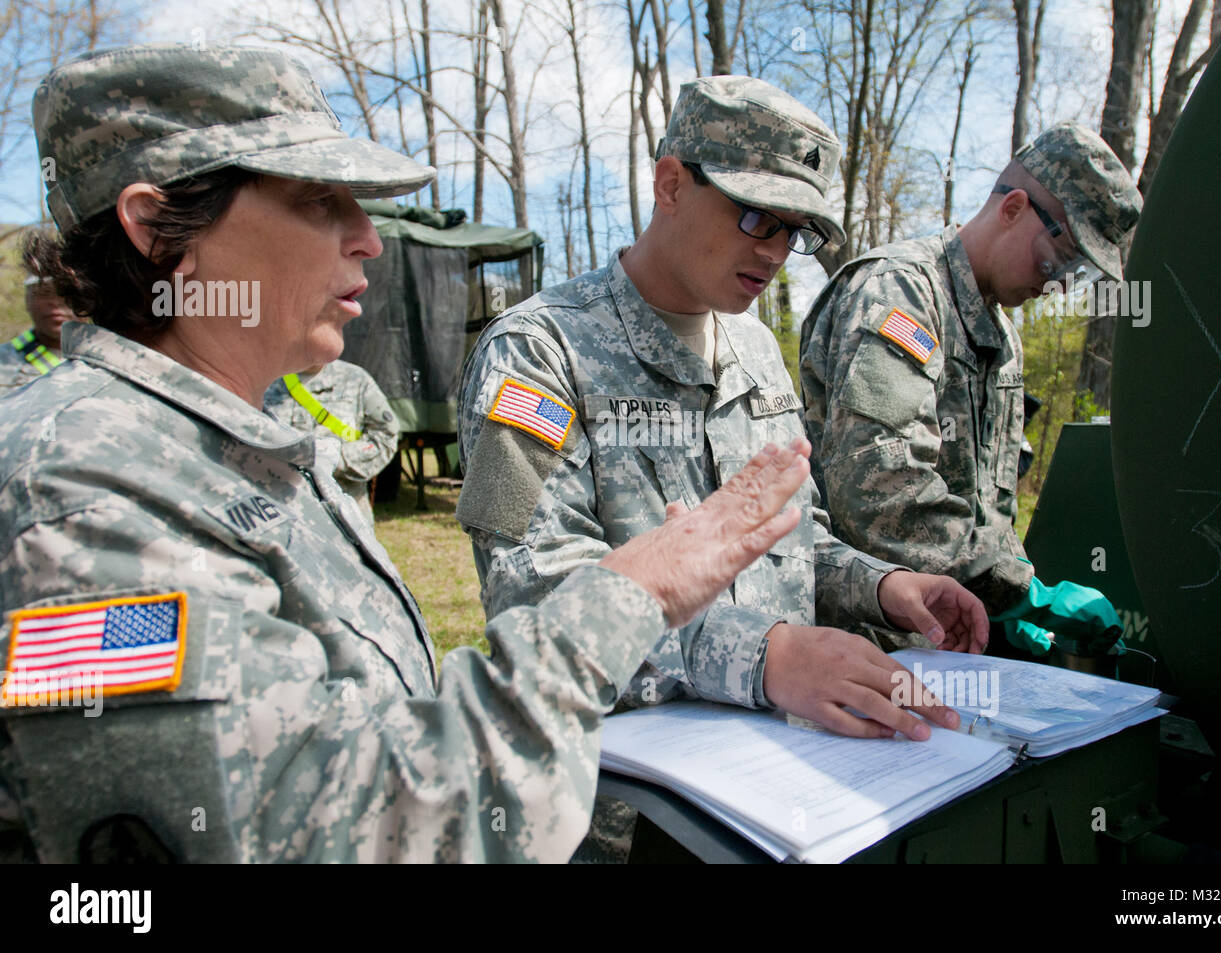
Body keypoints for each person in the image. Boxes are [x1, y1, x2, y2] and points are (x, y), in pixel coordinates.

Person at [0, 44, 837, 864]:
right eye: (321, 200)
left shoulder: (248, 452)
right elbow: (312, 826)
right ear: (155, 230)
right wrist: (637, 593)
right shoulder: (81, 489)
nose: (367, 238)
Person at [457, 75, 987, 745]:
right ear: (672, 184)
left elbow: (792, 542)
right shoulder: (531, 352)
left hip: (783, 773)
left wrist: (882, 586)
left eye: (792, 231)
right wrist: (765, 657)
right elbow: (528, 591)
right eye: (755, 216)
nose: (772, 251)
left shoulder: (759, 349)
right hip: (626, 806)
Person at [799, 123, 1143, 656]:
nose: (1062, 283)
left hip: (953, 647)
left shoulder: (1002, 337)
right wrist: (1021, 590)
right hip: (865, 644)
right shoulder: (900, 292)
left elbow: (991, 506)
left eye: (1079, 273)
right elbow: (879, 489)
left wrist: (1005, 607)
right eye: (1065, 257)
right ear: (1014, 209)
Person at [263, 359, 399, 526]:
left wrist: (334, 459)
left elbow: (386, 434)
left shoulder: (355, 379)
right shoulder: (266, 378)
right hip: (283, 517)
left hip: (345, 520)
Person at [0, 232, 83, 395]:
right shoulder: (5, 364)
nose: (55, 302)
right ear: (27, 300)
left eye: (65, 293)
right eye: (43, 292)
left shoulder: (113, 359)